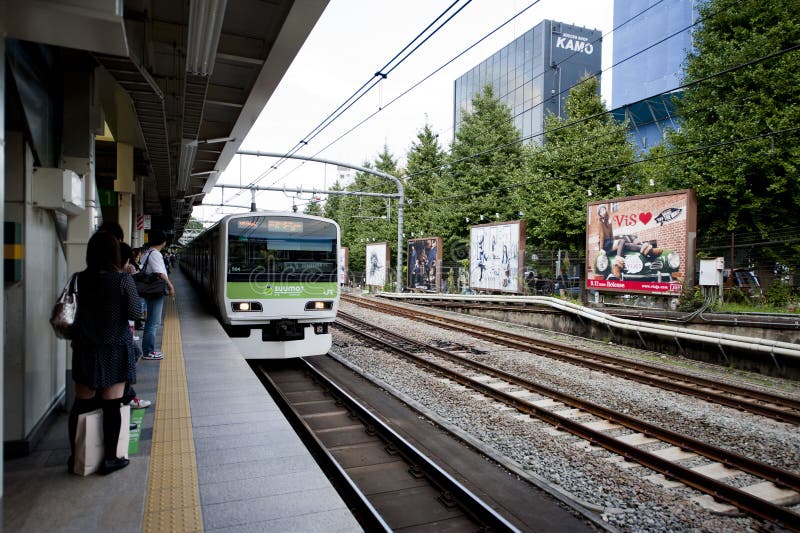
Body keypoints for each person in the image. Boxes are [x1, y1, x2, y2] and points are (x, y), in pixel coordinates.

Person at [68, 231, 142, 475]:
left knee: (82, 404)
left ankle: (78, 457)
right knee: (112, 406)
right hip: (114, 350)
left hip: (85, 350)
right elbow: (134, 313)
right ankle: (111, 458)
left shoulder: (78, 279)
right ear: (115, 255)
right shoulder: (123, 280)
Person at [141, 230, 175, 360]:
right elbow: (160, 273)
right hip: (155, 290)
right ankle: (148, 351)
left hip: (150, 289)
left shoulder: (147, 252)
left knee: (151, 321)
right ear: (164, 242)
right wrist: (170, 286)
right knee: (153, 322)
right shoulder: (155, 254)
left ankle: (148, 350)